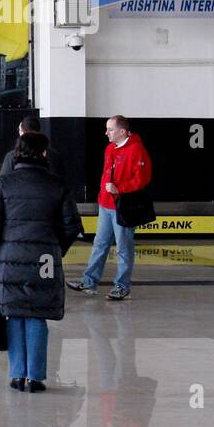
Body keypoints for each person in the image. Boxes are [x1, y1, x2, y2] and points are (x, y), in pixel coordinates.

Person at [0, 132, 82, 393]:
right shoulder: (57, 184)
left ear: (18, 152)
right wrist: (55, 247)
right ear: (44, 153)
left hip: (9, 257)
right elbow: (72, 225)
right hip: (44, 259)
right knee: (37, 315)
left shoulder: (4, 183)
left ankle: (17, 375)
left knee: (14, 314)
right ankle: (35, 378)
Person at [69, 115, 153, 301]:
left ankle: (122, 286)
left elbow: (142, 179)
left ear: (122, 131)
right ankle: (89, 281)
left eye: (110, 129)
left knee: (123, 247)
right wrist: (103, 196)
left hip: (122, 206)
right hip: (106, 204)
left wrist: (120, 189)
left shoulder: (136, 150)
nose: (106, 133)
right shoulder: (110, 149)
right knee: (100, 243)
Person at [0, 115, 66, 178]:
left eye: (19, 130)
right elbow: (62, 182)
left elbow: (3, 181)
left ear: (22, 133)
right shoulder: (55, 156)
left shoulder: (11, 156)